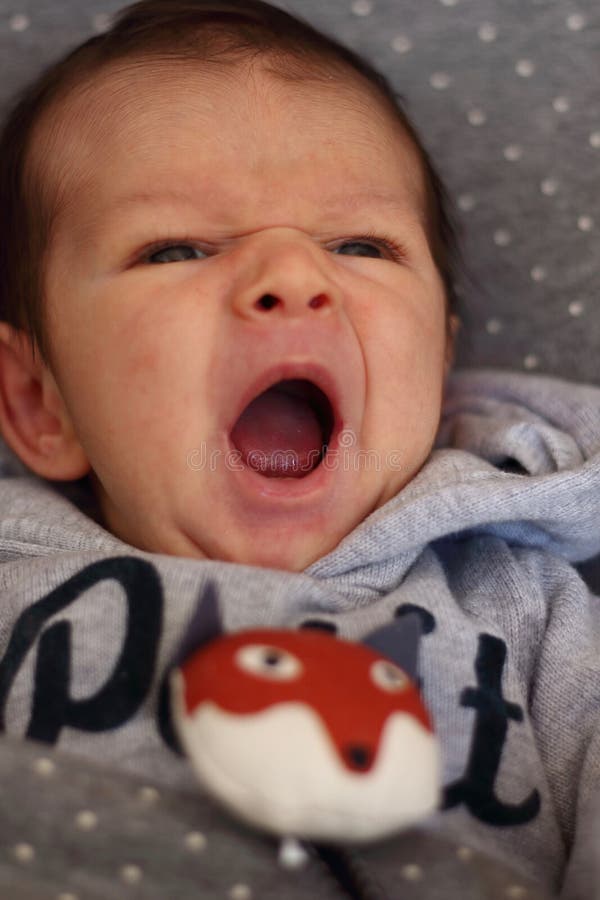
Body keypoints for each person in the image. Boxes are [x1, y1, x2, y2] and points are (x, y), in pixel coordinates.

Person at [0, 2, 598, 898]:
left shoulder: (523, 603)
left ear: (440, 366)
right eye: (176, 249)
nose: (292, 277)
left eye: (361, 245)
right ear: (42, 402)